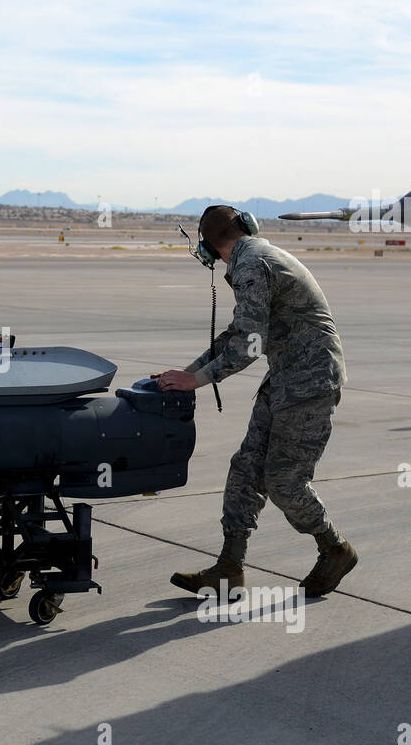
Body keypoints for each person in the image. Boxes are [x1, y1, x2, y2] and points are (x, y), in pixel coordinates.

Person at [153, 205, 357, 599]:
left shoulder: (252, 265)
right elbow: (238, 333)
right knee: (246, 469)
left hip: (309, 382)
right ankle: (229, 568)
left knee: (284, 480)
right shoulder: (255, 256)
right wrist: (185, 373)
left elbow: (249, 345)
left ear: (208, 249)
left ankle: (335, 549)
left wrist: (196, 380)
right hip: (285, 378)